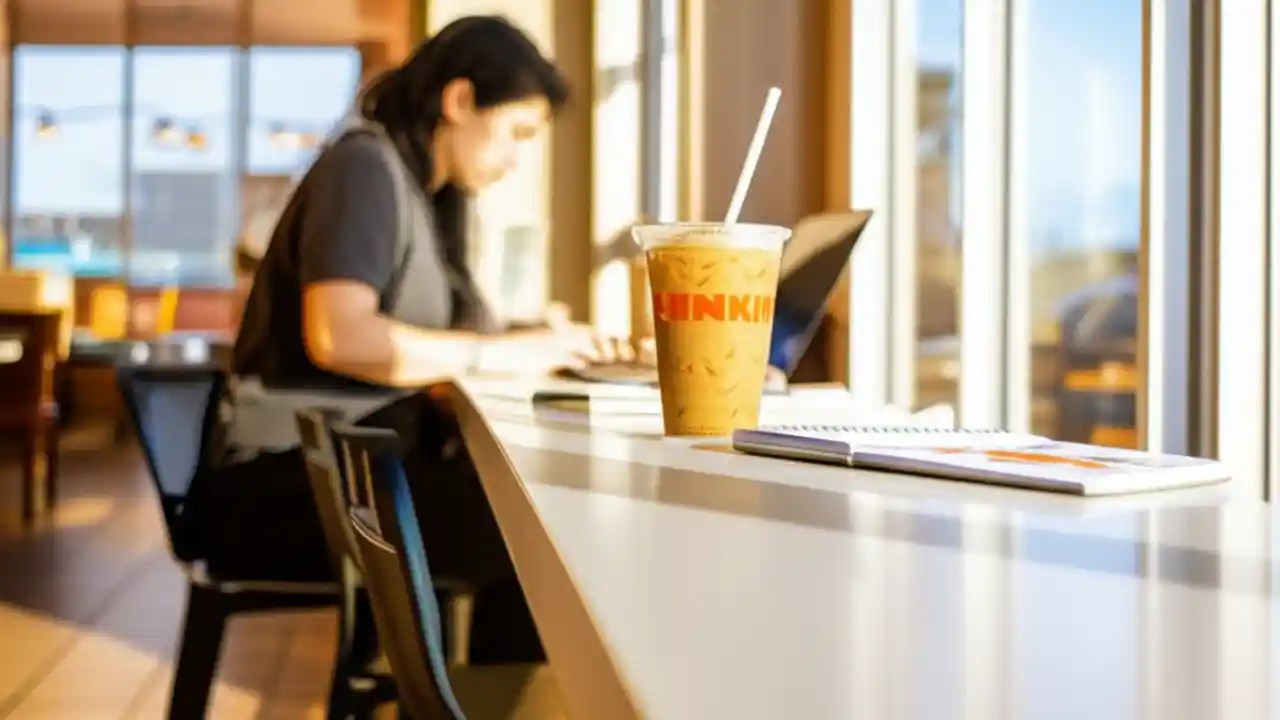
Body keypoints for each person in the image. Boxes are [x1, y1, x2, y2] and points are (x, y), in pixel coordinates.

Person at [199, 15, 626, 663]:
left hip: (351, 476)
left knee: (539, 517)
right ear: (459, 101)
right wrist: (503, 354)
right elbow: (339, 335)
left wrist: (543, 339)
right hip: (282, 487)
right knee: (542, 531)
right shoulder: (364, 167)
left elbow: (421, 338)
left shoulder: (422, 195)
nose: (516, 158)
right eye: (516, 133)